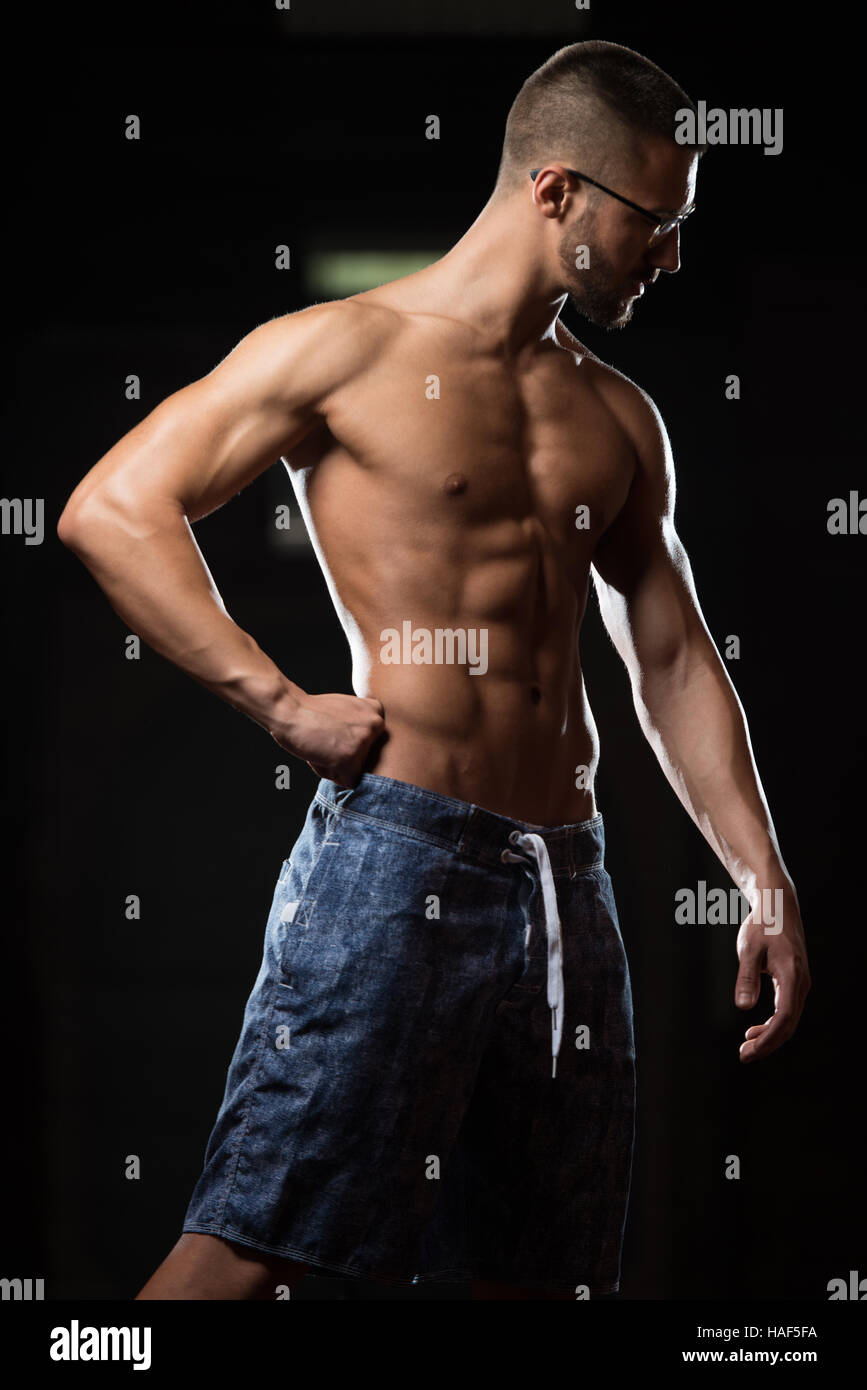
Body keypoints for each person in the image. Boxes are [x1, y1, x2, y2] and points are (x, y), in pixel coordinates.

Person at [57, 39, 811, 1301]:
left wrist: (762, 872)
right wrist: (279, 703)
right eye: (657, 221)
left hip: (570, 885)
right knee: (250, 1255)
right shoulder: (343, 350)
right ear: (558, 190)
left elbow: (670, 654)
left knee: (546, 1277)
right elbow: (113, 506)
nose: (671, 255)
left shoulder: (620, 415)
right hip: (398, 853)